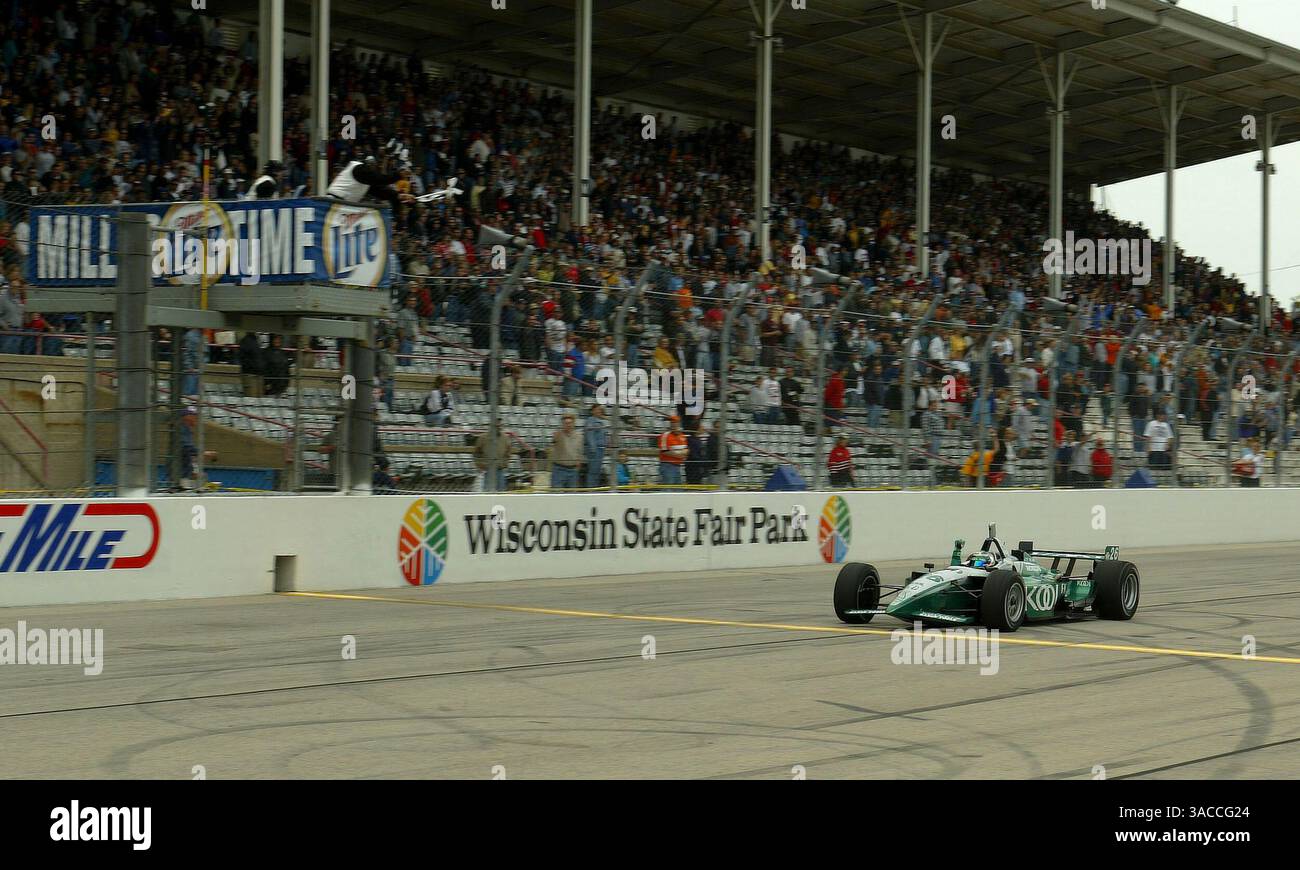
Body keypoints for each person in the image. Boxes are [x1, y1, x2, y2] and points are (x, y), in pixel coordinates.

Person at [326, 146, 416, 218]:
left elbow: (379, 191)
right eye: (370, 163)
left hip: (343, 206)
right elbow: (379, 179)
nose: (372, 166)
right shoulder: (359, 168)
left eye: (373, 164)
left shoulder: (366, 179)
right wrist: (398, 176)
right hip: (333, 203)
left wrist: (399, 196)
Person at [473, 423, 512, 492]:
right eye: (497, 425)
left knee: (501, 492)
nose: (499, 427)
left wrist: (504, 463)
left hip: (500, 469)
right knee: (487, 492)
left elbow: (508, 452)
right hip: (487, 469)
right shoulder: (483, 437)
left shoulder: (505, 438)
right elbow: (477, 453)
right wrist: (480, 465)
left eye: (500, 425)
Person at [550, 413, 583, 489]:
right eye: (566, 423)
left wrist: (579, 462)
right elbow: (553, 442)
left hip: (573, 470)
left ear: (574, 424)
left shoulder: (579, 436)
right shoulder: (558, 435)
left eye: (570, 423)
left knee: (571, 494)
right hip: (559, 469)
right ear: (562, 424)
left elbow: (580, 451)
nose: (568, 425)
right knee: (556, 493)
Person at [658, 415, 688, 486]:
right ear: (671, 425)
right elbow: (664, 451)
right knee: (668, 488)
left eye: (677, 423)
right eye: (674, 423)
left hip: (678, 465)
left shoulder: (682, 436)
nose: (675, 425)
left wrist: (681, 454)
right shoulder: (665, 435)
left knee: (677, 489)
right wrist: (680, 455)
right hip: (668, 466)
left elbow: (686, 449)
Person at [584, 403, 608, 487]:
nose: (599, 411)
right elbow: (590, 435)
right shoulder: (590, 420)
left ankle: (595, 487)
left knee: (597, 471)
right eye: (598, 409)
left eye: (600, 409)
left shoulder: (601, 422)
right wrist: (593, 449)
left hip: (601, 449)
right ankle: (590, 488)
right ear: (593, 411)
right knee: (593, 471)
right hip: (595, 449)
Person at [237, 331, 263, 397]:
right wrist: (253, 366)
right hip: (250, 374)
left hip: (257, 374)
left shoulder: (256, 340)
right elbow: (242, 357)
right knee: (252, 399)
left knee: (258, 399)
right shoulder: (246, 341)